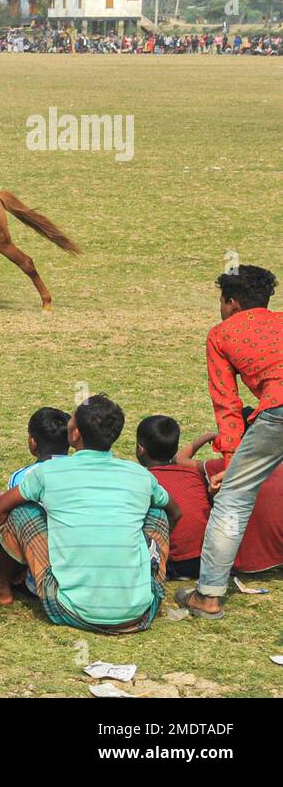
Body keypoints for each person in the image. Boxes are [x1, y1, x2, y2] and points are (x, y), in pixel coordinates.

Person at [0, 394, 180, 634]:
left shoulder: (49, 472)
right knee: (157, 511)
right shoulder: (140, 475)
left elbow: (0, 508)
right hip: (140, 611)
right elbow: (175, 512)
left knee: (21, 510)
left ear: (74, 435)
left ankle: (2, 590)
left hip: (69, 610)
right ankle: (136, 580)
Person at [180, 265, 283, 619]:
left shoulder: (222, 334)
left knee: (233, 503)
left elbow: (227, 406)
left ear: (232, 302)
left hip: (277, 411)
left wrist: (230, 463)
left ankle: (207, 596)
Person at [174, 412, 283, 578]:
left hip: (242, 563)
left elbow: (179, 459)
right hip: (277, 558)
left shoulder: (226, 467)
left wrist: (205, 437)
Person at [0, 406, 70, 602]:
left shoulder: (22, 477)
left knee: (9, 514)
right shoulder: (83, 471)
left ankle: (6, 583)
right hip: (76, 563)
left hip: (35, 574)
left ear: (33, 442)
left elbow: (6, 521)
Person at [136, 415, 209, 580]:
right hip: (203, 560)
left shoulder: (144, 481)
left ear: (141, 449)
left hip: (172, 563)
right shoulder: (193, 474)